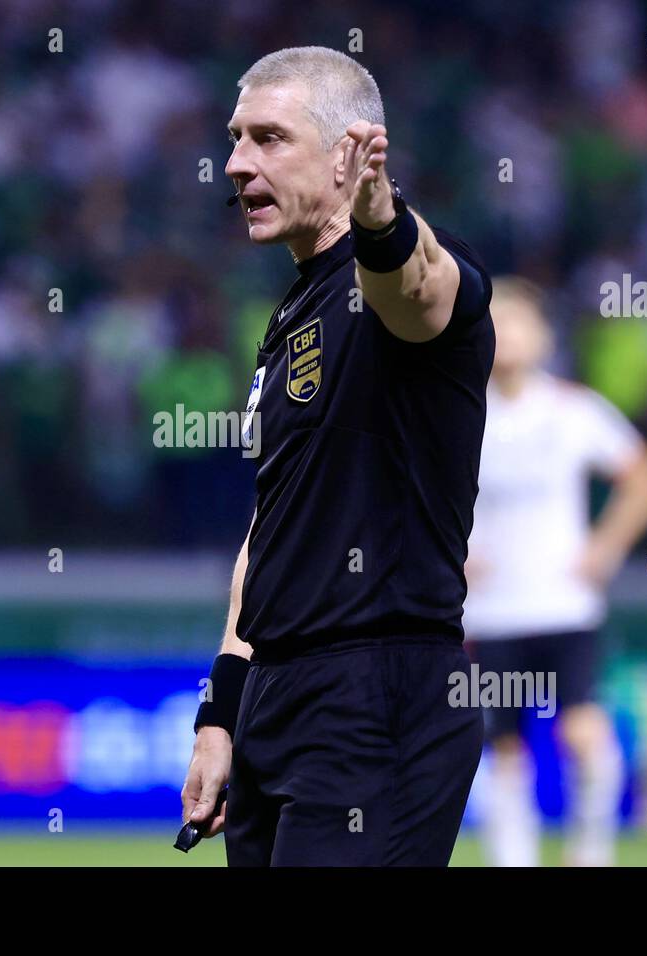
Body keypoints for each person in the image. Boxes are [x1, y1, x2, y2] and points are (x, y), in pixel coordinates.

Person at [179, 46, 494, 866]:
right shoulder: (287, 320)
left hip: (379, 691)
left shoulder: (407, 271)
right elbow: (272, 525)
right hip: (278, 700)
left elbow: (417, 287)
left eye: (269, 138)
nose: (236, 164)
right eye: (236, 138)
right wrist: (224, 709)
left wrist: (381, 218)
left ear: (348, 149)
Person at [463, 276, 647, 866]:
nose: (508, 334)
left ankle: (590, 854)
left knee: (586, 736)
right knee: (501, 751)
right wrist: (452, 553)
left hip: (564, 606)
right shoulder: (460, 411)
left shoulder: (574, 411)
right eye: (495, 321)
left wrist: (606, 547)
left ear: (546, 334)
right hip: (490, 612)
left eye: (520, 320)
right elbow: (405, 492)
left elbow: (646, 479)